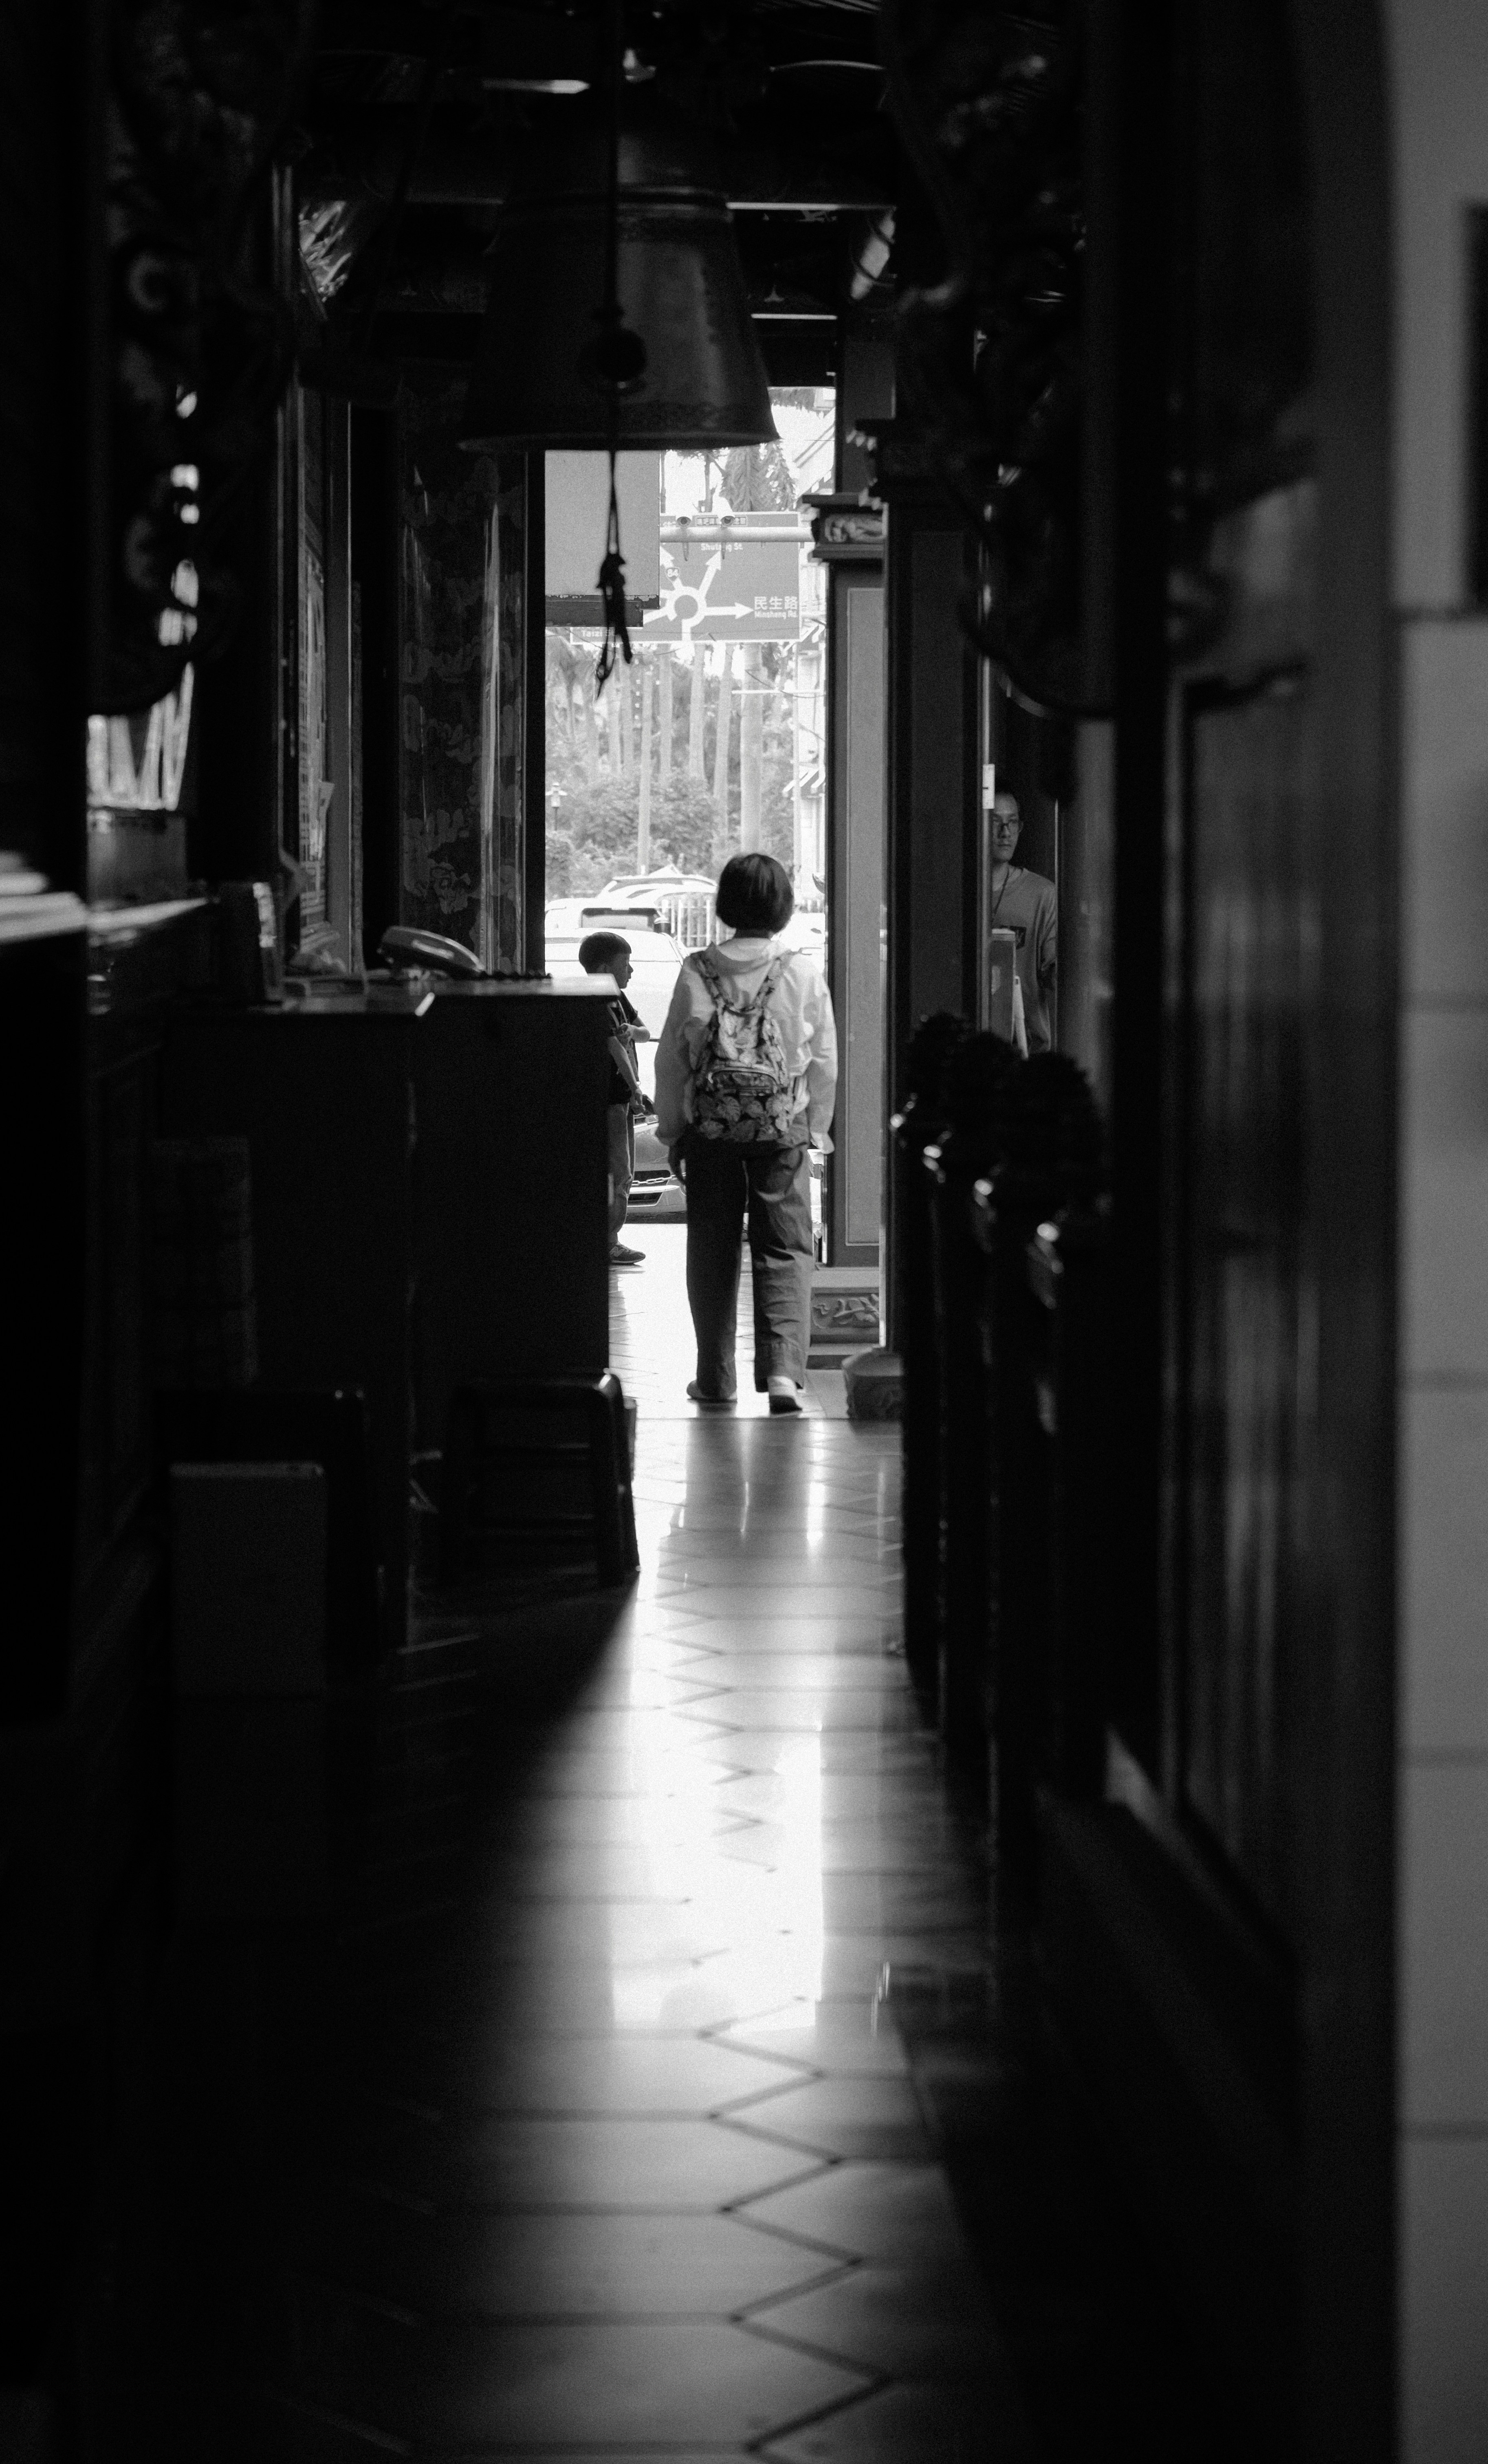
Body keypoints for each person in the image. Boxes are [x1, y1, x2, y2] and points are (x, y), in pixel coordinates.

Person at [654, 853, 837, 1415]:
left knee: (710, 1247)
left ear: (726, 906)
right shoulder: (801, 972)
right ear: (782, 907)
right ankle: (783, 1376)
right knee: (784, 1248)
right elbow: (824, 1059)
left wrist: (673, 1132)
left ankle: (714, 1377)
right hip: (781, 1131)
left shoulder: (697, 970)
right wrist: (817, 1129)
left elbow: (673, 1062)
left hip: (712, 1131)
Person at [578, 930, 652, 1270]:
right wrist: (636, 1088)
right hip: (611, 1097)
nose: (632, 971)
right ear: (606, 966)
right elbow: (614, 1048)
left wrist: (633, 1032)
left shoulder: (618, 999)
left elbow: (644, 1032)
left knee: (624, 1171)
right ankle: (609, 1241)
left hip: (621, 1099)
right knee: (618, 1172)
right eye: (627, 963)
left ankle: (608, 1239)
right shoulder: (598, 999)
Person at [985, 793, 1057, 1054]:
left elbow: (1055, 971)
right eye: (996, 822)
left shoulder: (1042, 895)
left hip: (1028, 1050)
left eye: (1012, 822)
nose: (1006, 832)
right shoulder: (960, 892)